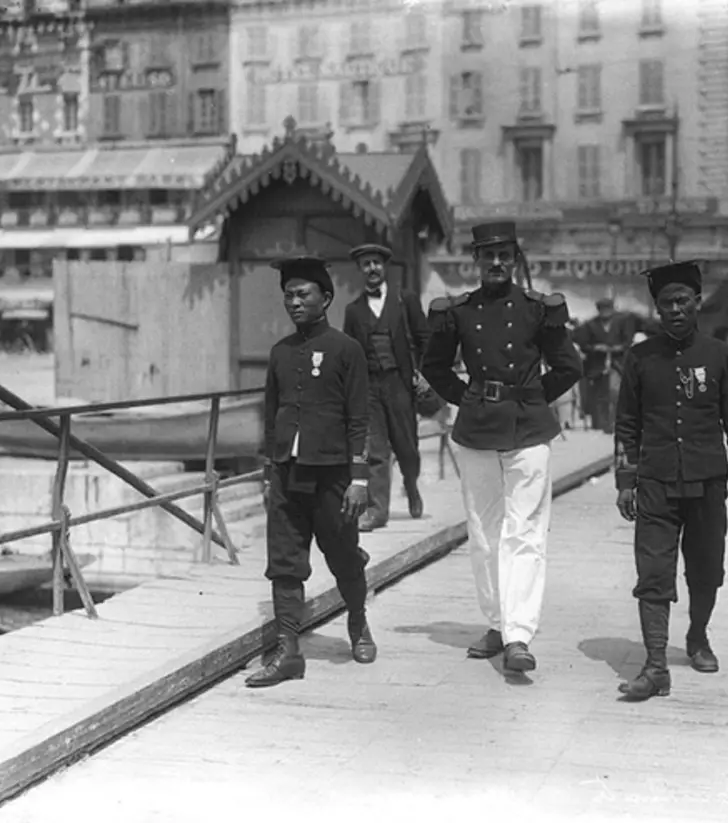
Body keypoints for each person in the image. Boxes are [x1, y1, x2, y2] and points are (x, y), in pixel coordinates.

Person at [420, 220, 582, 674]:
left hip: (529, 431)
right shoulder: (459, 312)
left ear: (515, 260)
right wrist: (468, 398)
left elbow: (568, 366)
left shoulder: (537, 309)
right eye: (487, 256)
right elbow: (434, 366)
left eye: (504, 256)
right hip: (477, 429)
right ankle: (496, 622)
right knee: (484, 531)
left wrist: (529, 398)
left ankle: (519, 635)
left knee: (525, 531)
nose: (496, 263)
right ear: (475, 260)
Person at [613, 261, 728, 700]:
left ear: (697, 303)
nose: (674, 310)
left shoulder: (719, 356)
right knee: (653, 571)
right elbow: (627, 423)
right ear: (656, 309)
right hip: (655, 481)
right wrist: (625, 479)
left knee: (706, 570)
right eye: (665, 304)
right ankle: (656, 665)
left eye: (682, 301)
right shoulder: (639, 358)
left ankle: (697, 636)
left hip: (707, 482)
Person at [245, 256, 376, 689]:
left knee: (342, 555)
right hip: (286, 473)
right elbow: (270, 415)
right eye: (288, 295)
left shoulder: (346, 350)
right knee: (284, 561)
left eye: (303, 294)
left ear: (326, 298)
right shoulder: (281, 352)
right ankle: (289, 652)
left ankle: (357, 620)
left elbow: (360, 417)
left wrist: (359, 479)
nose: (294, 302)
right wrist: (268, 472)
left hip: (333, 476)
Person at [341, 242, 430, 532]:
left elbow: (425, 339)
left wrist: (424, 374)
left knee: (407, 447)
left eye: (376, 263)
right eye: (365, 264)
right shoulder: (353, 311)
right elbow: (349, 354)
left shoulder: (406, 301)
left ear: (385, 267)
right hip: (370, 388)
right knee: (375, 450)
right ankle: (377, 511)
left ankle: (411, 484)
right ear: (359, 270)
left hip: (399, 382)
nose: (372, 269)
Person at [572, 298, 634, 433]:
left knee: (614, 392)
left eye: (608, 309)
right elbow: (583, 343)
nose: (605, 312)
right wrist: (596, 348)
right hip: (597, 364)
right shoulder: (590, 325)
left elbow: (627, 341)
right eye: (602, 309)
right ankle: (599, 423)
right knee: (599, 394)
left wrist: (617, 348)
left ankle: (614, 422)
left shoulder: (622, 322)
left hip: (617, 363)